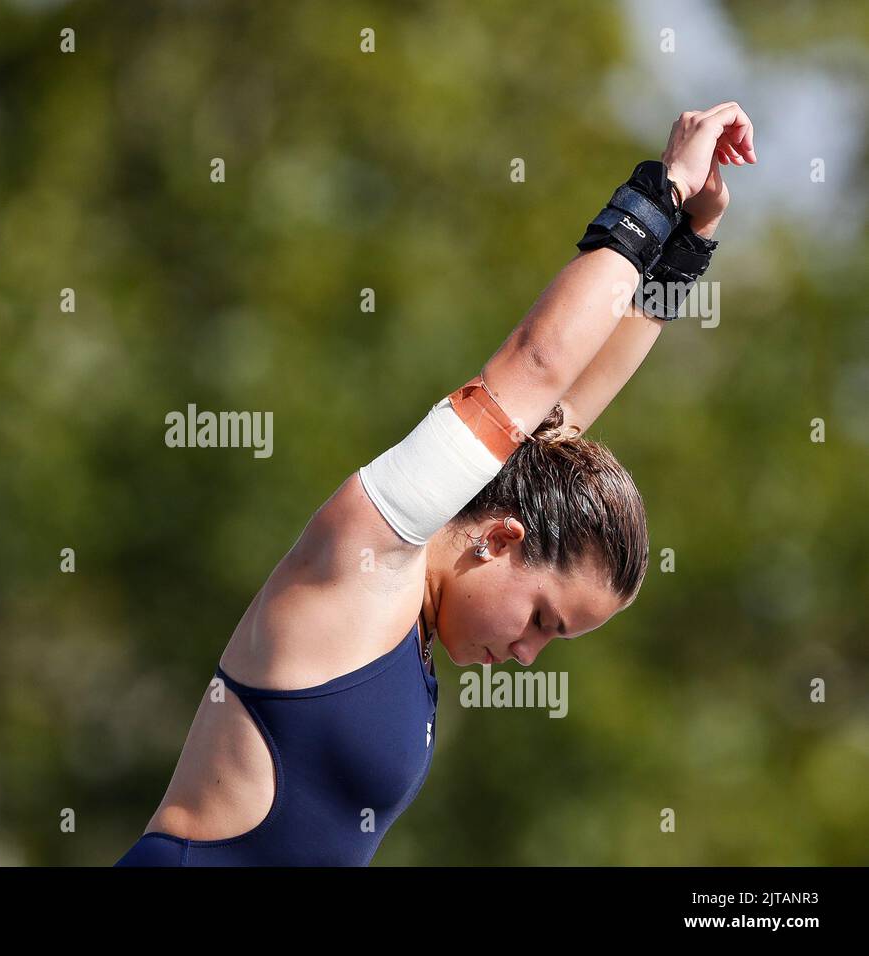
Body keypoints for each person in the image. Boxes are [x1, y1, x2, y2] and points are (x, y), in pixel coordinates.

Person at [116, 104, 757, 866]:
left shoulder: (423, 613)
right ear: (501, 537)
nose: (526, 655)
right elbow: (538, 363)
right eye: (543, 621)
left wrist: (690, 245)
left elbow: (573, 395)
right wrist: (661, 192)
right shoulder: (369, 553)